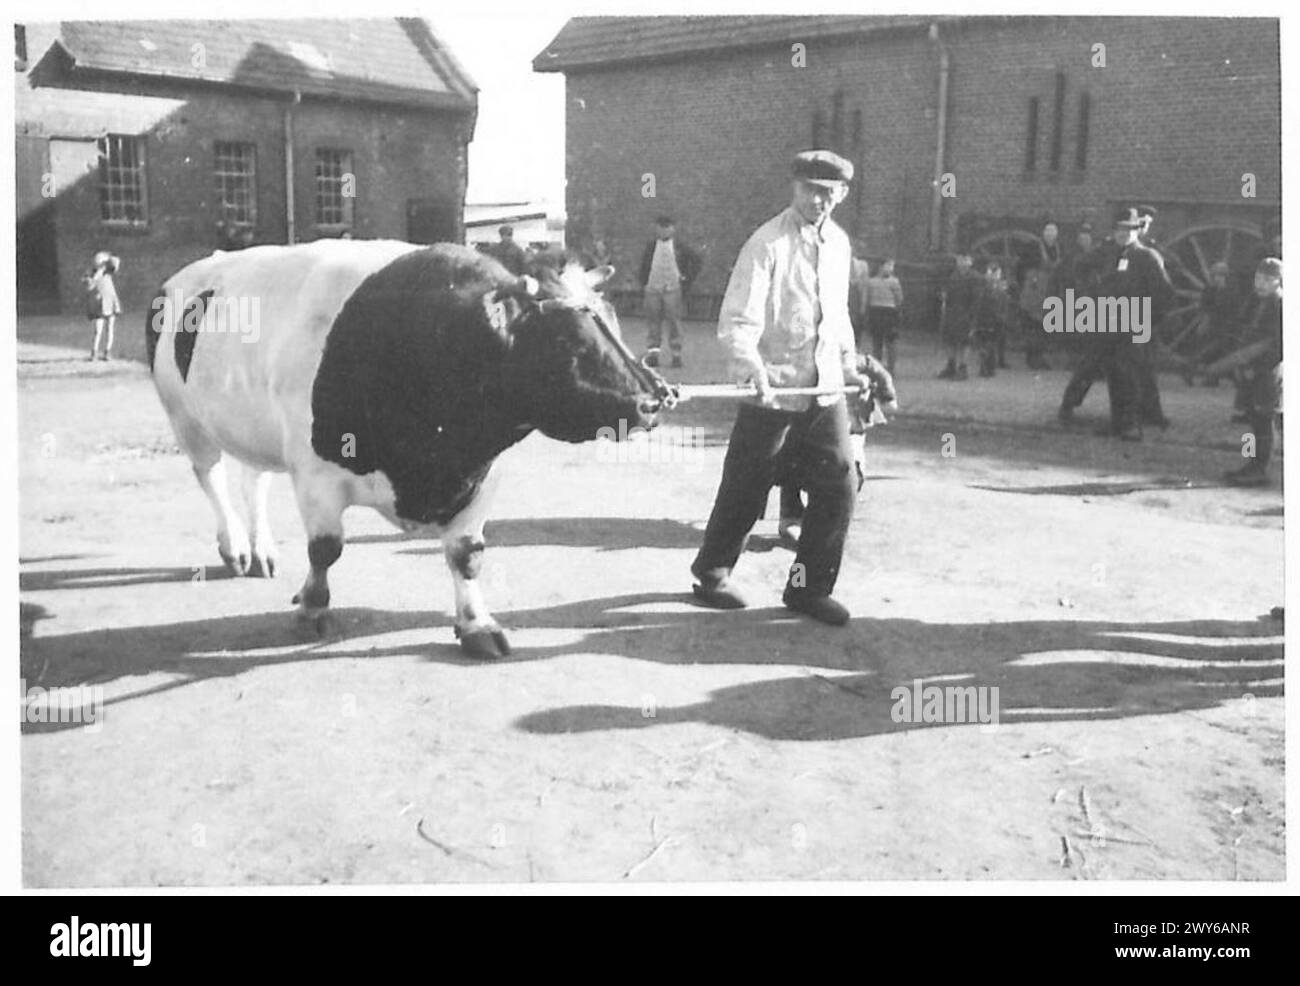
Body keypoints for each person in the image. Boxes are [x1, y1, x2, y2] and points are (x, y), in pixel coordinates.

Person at [690, 150, 882, 626]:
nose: (818, 200)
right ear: (794, 188)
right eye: (809, 189)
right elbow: (738, 316)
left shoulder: (838, 244)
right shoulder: (767, 243)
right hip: (773, 388)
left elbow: (836, 317)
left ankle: (807, 589)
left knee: (840, 483)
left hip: (823, 390)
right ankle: (712, 573)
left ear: (842, 194)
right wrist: (750, 366)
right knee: (748, 484)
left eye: (828, 192)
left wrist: (849, 367)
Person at [1094, 206, 1176, 441]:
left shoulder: (1147, 257)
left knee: (1131, 376)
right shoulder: (1112, 255)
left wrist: (1148, 323)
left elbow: (1165, 294)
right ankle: (1117, 422)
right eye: (1119, 229)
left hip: (1135, 326)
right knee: (1113, 375)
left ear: (1137, 231)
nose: (1123, 233)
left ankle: (1132, 425)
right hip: (1110, 323)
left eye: (1128, 229)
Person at [1224, 257, 1283, 486]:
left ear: (1278, 281)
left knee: (1263, 419)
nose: (1261, 283)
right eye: (1259, 278)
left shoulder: (1281, 305)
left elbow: (1280, 346)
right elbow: (1240, 332)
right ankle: (1249, 462)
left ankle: (1260, 468)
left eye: (1268, 279)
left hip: (1267, 373)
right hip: (1247, 369)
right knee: (1250, 418)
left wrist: (1257, 368)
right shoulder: (1252, 301)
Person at [638, 216, 701, 369]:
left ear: (673, 229)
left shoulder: (680, 247)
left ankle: (676, 354)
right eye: (661, 227)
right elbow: (644, 264)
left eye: (667, 227)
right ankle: (653, 353)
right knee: (653, 321)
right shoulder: (651, 246)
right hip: (653, 288)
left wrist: (686, 279)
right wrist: (644, 282)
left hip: (673, 288)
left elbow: (696, 261)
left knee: (674, 321)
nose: (664, 230)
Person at [1016, 219, 1062, 369]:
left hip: (1050, 289)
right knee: (1033, 324)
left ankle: (1040, 356)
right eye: (1048, 231)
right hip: (1035, 290)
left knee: (1045, 323)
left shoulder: (1058, 248)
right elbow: (1021, 267)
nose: (1050, 234)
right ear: (1043, 233)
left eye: (1053, 231)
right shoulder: (1033, 247)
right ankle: (1032, 357)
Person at [937, 253, 979, 380]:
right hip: (952, 311)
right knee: (949, 340)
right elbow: (946, 292)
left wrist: (973, 315)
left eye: (965, 259)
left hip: (967, 312)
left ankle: (963, 367)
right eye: (960, 259)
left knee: (965, 342)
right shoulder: (952, 276)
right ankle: (951, 365)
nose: (962, 262)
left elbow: (977, 298)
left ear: (971, 261)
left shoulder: (975, 277)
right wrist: (943, 296)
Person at [866, 258, 904, 373]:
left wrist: (897, 308)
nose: (890, 268)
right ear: (880, 267)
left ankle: (891, 367)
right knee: (877, 342)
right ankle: (877, 367)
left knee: (891, 342)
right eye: (888, 265)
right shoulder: (871, 282)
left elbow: (899, 298)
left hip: (889, 312)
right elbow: (868, 297)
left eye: (892, 266)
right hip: (876, 311)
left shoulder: (894, 282)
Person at [83, 251, 121, 361]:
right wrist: (95, 276)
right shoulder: (91, 272)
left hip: (110, 301)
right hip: (99, 303)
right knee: (98, 330)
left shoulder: (108, 270)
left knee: (110, 328)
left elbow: (115, 263)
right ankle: (94, 352)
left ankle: (107, 352)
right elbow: (88, 285)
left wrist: (108, 260)